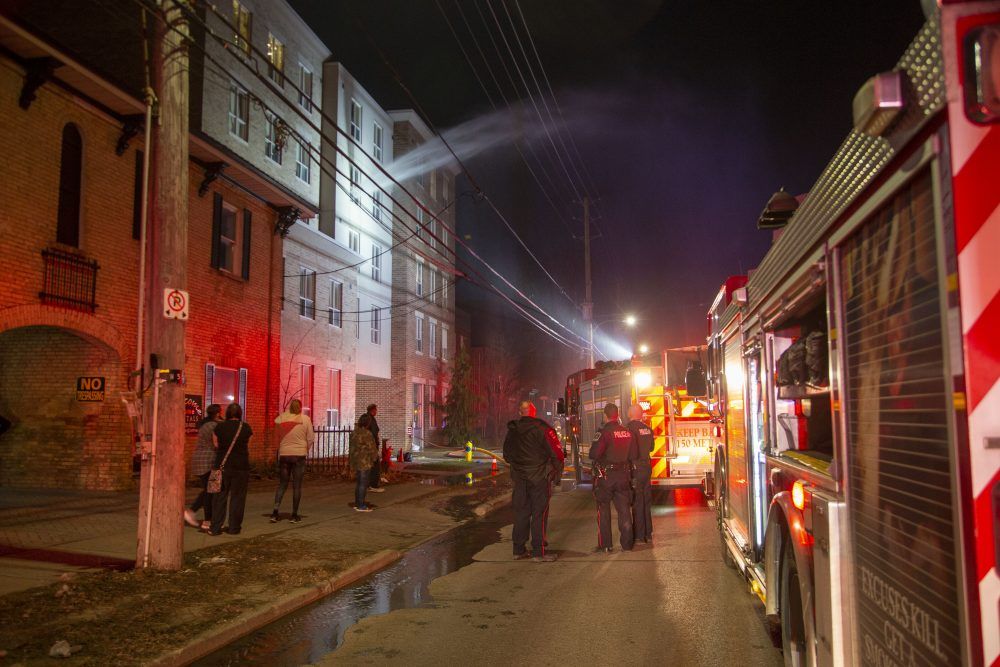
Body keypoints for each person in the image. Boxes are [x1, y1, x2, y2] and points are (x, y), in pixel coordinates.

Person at [502, 401, 562, 563]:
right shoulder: (543, 429)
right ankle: (539, 551)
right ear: (533, 412)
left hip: (520, 479)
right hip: (539, 478)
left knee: (521, 513)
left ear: (520, 412)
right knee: (539, 514)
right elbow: (557, 453)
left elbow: (506, 455)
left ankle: (518, 550)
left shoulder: (512, 431)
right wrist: (557, 475)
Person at [589, 402, 638, 553]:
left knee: (603, 510)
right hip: (623, 475)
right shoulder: (627, 432)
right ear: (617, 415)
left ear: (605, 415)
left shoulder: (603, 433)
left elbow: (594, 454)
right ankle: (627, 545)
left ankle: (606, 545)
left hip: (606, 477)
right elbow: (634, 455)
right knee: (624, 510)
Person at [208, 403, 253, 536]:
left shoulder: (219, 427)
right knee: (238, 498)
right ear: (240, 413)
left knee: (218, 498)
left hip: (220, 466)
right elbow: (247, 443)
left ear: (227, 413)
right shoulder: (245, 427)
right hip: (241, 467)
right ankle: (234, 528)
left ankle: (215, 528)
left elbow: (215, 445)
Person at [270, 399, 315, 523]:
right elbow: (310, 438)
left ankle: (275, 512)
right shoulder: (305, 419)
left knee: (282, 484)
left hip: (284, 454)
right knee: (297, 486)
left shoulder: (281, 418)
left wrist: (281, 448)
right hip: (299, 455)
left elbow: (276, 436)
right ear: (300, 408)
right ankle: (294, 515)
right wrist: (305, 449)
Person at [185, 403, 222, 530]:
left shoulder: (204, 425)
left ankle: (200, 515)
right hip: (208, 461)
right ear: (217, 413)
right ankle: (199, 515)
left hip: (199, 459)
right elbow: (216, 444)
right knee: (209, 491)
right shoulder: (214, 426)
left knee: (207, 490)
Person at [625, 403, 655, 545]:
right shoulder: (648, 429)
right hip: (647, 467)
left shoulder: (629, 429)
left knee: (637, 502)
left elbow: (627, 450)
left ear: (631, 413)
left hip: (635, 469)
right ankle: (648, 534)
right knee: (646, 502)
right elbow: (651, 447)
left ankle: (639, 535)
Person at [350, 413, 379, 512]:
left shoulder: (354, 433)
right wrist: (375, 458)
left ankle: (357, 502)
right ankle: (361, 505)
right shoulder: (367, 434)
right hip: (365, 461)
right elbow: (372, 448)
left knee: (359, 483)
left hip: (356, 460)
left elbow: (352, 448)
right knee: (363, 483)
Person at [366, 404, 385, 492]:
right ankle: (373, 485)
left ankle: (368, 484)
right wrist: (375, 443)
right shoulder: (370, 419)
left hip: (368, 446)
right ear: (372, 410)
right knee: (375, 465)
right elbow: (373, 433)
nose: (376, 411)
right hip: (371, 446)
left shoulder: (367, 418)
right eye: (375, 410)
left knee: (370, 465)